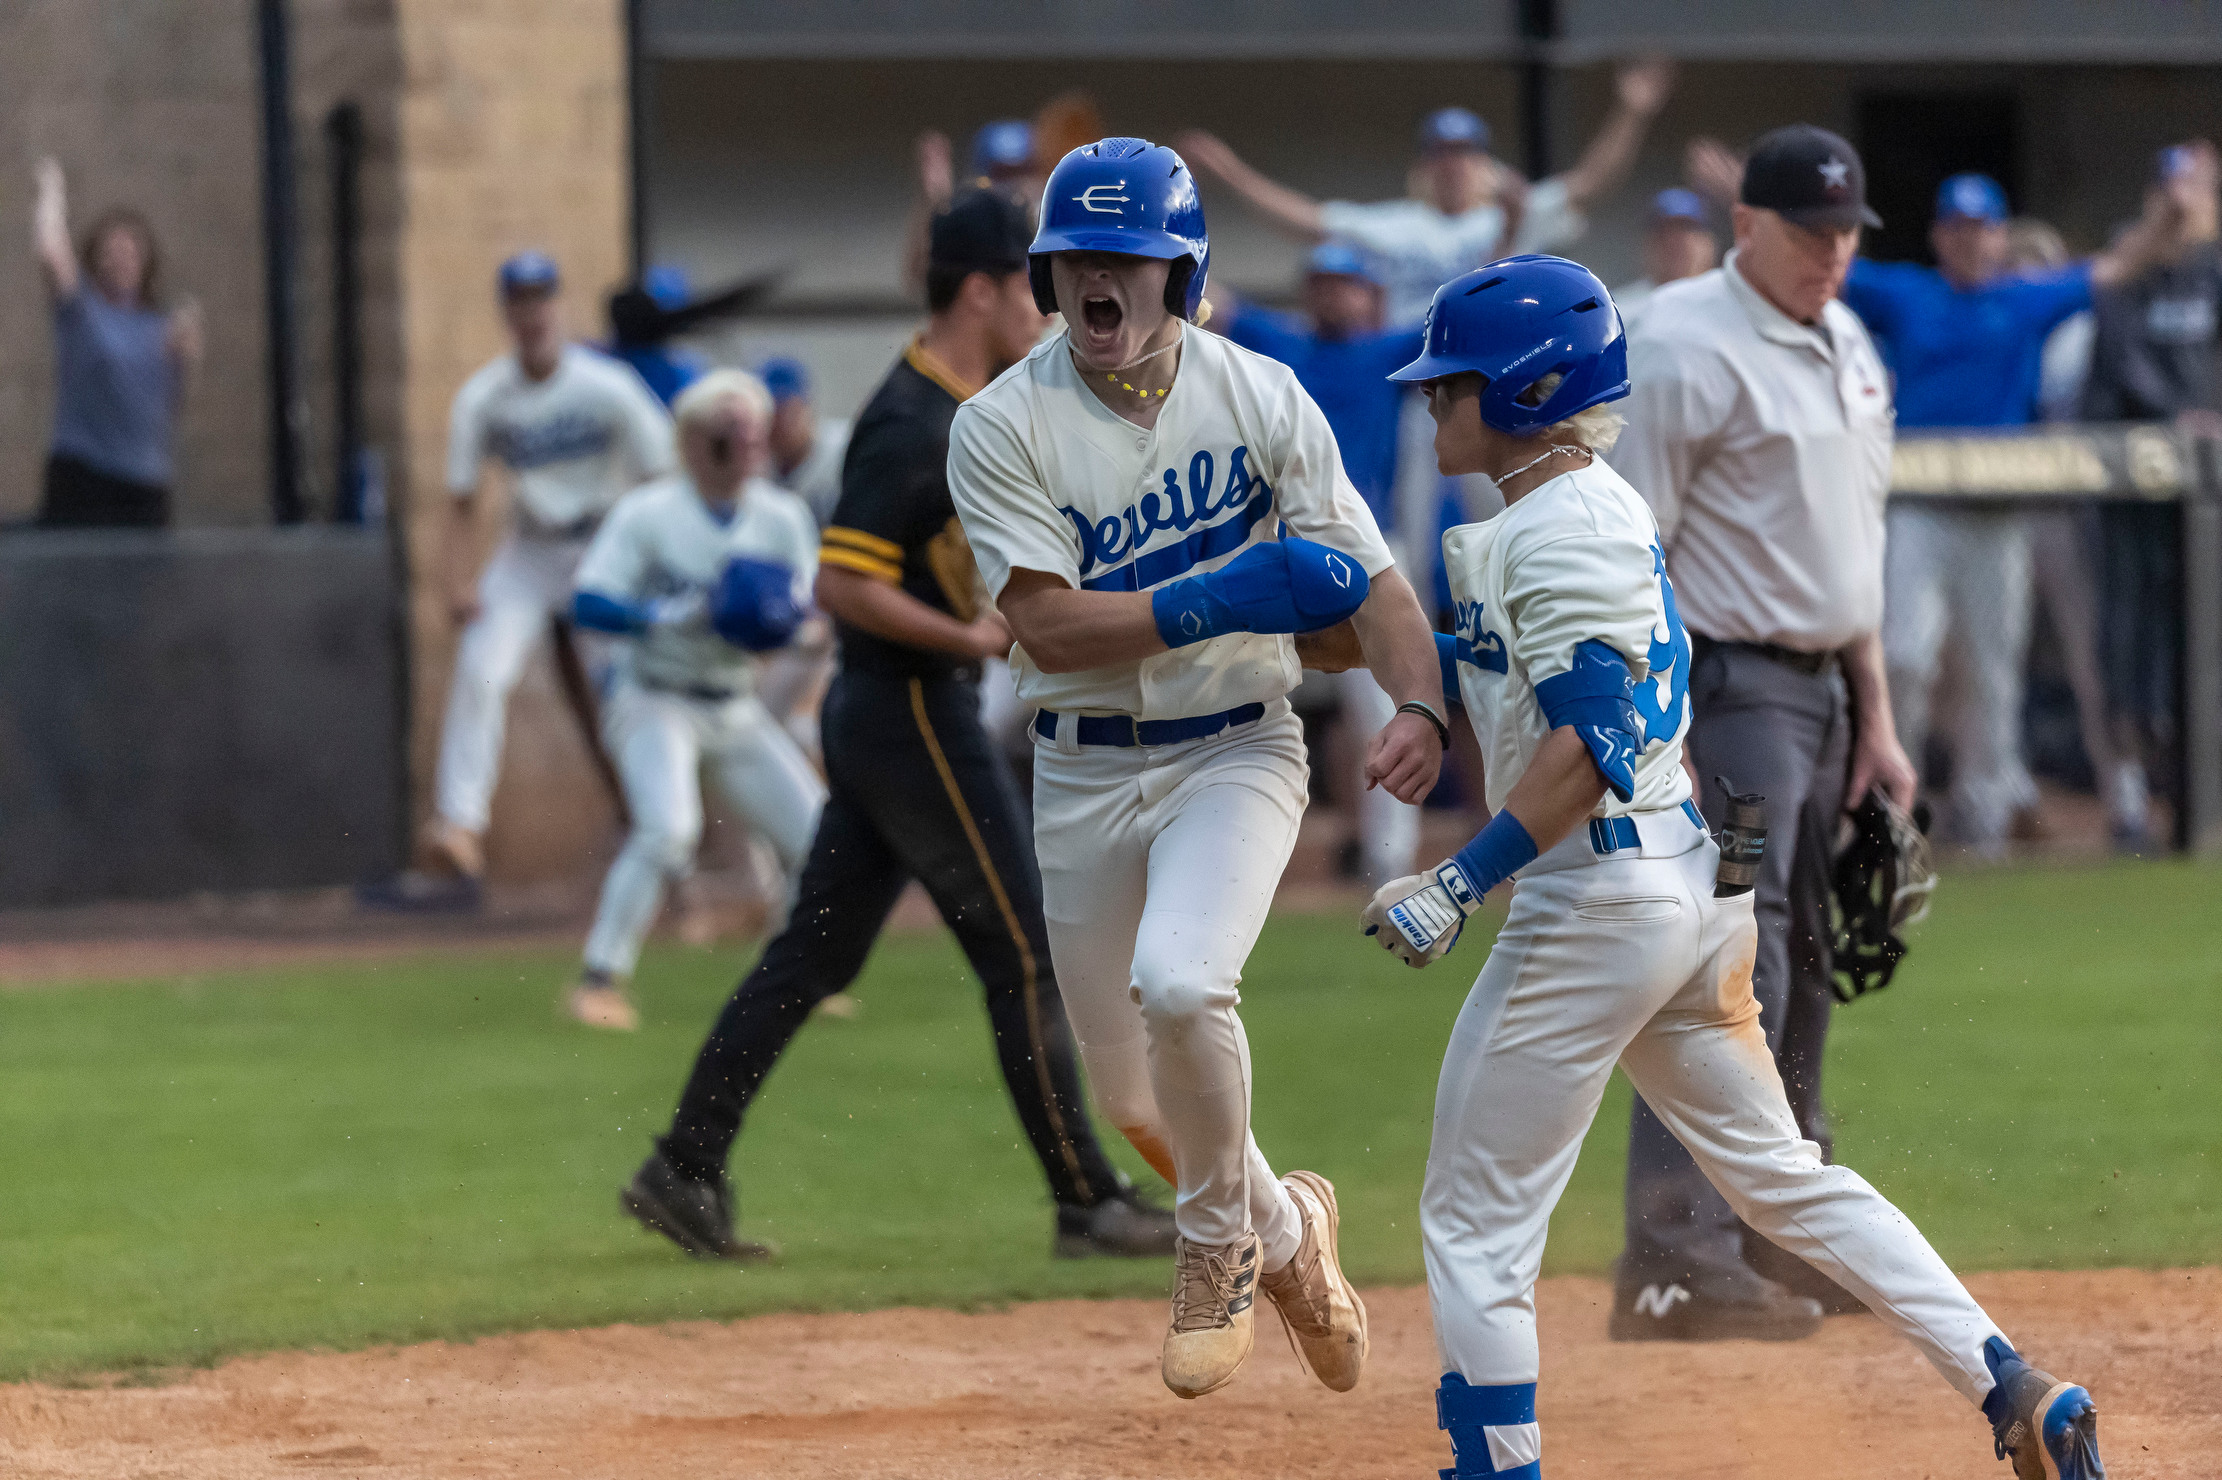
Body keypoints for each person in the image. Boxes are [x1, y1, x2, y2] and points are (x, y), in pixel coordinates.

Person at [1359, 249, 2108, 1480]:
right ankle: (2012, 1382)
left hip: (1593, 899)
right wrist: (1383, 661)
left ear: (1526, 391)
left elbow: (1588, 744)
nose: (1431, 398)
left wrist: (1458, 880)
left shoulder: (1557, 531)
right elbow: (1545, 679)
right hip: (1677, 886)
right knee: (1779, 1179)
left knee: (1473, 1219)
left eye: (1451, 382)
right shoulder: (1576, 510)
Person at [947, 137, 1446, 1401]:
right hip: (1079, 772)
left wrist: (1421, 705)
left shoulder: (1261, 395)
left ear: (1182, 273)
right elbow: (1044, 625)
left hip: (1235, 745)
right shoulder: (998, 423)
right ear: (1045, 275)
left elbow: (1375, 584)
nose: (1097, 278)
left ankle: (1216, 1245)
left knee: (1181, 982)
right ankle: (1289, 1232)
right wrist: (1212, 594)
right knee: (1131, 1097)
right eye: (1074, 257)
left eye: (1128, 258)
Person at [618, 189, 1178, 1262]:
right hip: (909, 707)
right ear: (977, 294)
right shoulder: (911, 421)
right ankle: (1084, 1200)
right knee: (1024, 953)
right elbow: (840, 583)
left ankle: (682, 1166)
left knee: (813, 957)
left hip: (896, 712)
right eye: (1027, 285)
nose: (1044, 305)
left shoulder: (971, 405)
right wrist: (967, 637)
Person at [1605, 125, 1908, 1339]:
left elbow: (1851, 549)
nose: (1830, 251)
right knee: (1729, 958)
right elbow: (1630, 552)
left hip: (1822, 700)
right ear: (1744, 225)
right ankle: (1673, 1255)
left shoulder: (1845, 337)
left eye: (1843, 231)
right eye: (1806, 229)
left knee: (1807, 964)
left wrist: (1876, 716)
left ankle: (1783, 1234)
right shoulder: (1678, 343)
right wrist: (1663, 732)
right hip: (1728, 698)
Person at [1843, 168, 2180, 854]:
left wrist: (2169, 218)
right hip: (1918, 505)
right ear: (1940, 236)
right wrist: (1749, 200)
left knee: (1993, 673)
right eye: (1959, 229)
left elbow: (2115, 268)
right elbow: (1826, 260)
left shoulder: (2023, 300)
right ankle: (1893, 802)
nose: (1971, 241)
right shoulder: (1910, 293)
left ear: (1999, 237)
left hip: (1999, 512)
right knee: (1904, 654)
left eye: (1983, 229)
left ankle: (1987, 819)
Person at [564, 370, 826, 1030]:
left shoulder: (780, 516)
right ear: (690, 442)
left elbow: (810, 612)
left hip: (733, 702)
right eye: (725, 436)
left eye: (751, 435)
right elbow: (588, 601)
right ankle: (599, 979)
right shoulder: (650, 512)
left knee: (819, 834)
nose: (743, 449)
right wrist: (659, 616)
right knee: (667, 830)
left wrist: (789, 628)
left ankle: (791, 978)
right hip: (656, 695)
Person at [415, 252, 677, 893]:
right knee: (482, 667)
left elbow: (662, 475)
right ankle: (460, 824)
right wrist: (457, 580)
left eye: (541, 299)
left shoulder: (606, 386)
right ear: (506, 312)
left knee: (622, 690)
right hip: (529, 550)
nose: (532, 313)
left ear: (558, 306)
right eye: (520, 301)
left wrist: (655, 564)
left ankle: (656, 820)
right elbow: (460, 500)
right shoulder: (484, 396)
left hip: (600, 545)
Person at [1207, 244, 1426, 886]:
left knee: (1386, 703)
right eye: (1321, 282)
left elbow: (1465, 318)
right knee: (1228, 682)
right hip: (1278, 546)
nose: (1331, 294)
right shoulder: (1284, 342)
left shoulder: (1388, 351)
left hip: (1367, 548)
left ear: (1370, 294)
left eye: (1345, 283)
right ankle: (1220, 850)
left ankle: (1388, 863)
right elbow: (1210, 300)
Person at [1177, 60, 1675, 326]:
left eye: (1464, 153)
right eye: (1442, 154)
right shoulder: (1396, 223)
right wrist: (1231, 173)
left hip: (1489, 367)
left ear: (1483, 163)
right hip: (1409, 372)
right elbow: (1307, 221)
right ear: (1424, 165)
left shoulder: (1513, 213)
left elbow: (1592, 182)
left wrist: (1631, 112)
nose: (1453, 165)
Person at [2083, 141, 2222, 846]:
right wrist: (2178, 417)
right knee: (2130, 644)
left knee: (2199, 645)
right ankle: (2133, 798)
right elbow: (2120, 368)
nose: (2180, 206)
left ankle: (2200, 795)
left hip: (2207, 495)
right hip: (2135, 485)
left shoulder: (2215, 271)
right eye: (2170, 192)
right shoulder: (2126, 272)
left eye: (2195, 190)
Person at [31, 156, 201, 527]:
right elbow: (51, 252)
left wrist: (184, 357)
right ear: (95, 260)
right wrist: (51, 191)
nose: (121, 260)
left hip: (145, 487)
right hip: (84, 482)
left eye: (130, 251)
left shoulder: (162, 327)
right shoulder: (83, 313)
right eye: (111, 251)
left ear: (145, 261)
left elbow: (169, 406)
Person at [1610, 187, 1720, 325]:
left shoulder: (1732, 305)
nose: (1673, 241)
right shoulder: (1617, 311)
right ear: (1646, 245)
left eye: (1686, 228)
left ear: (1709, 243)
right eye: (1663, 232)